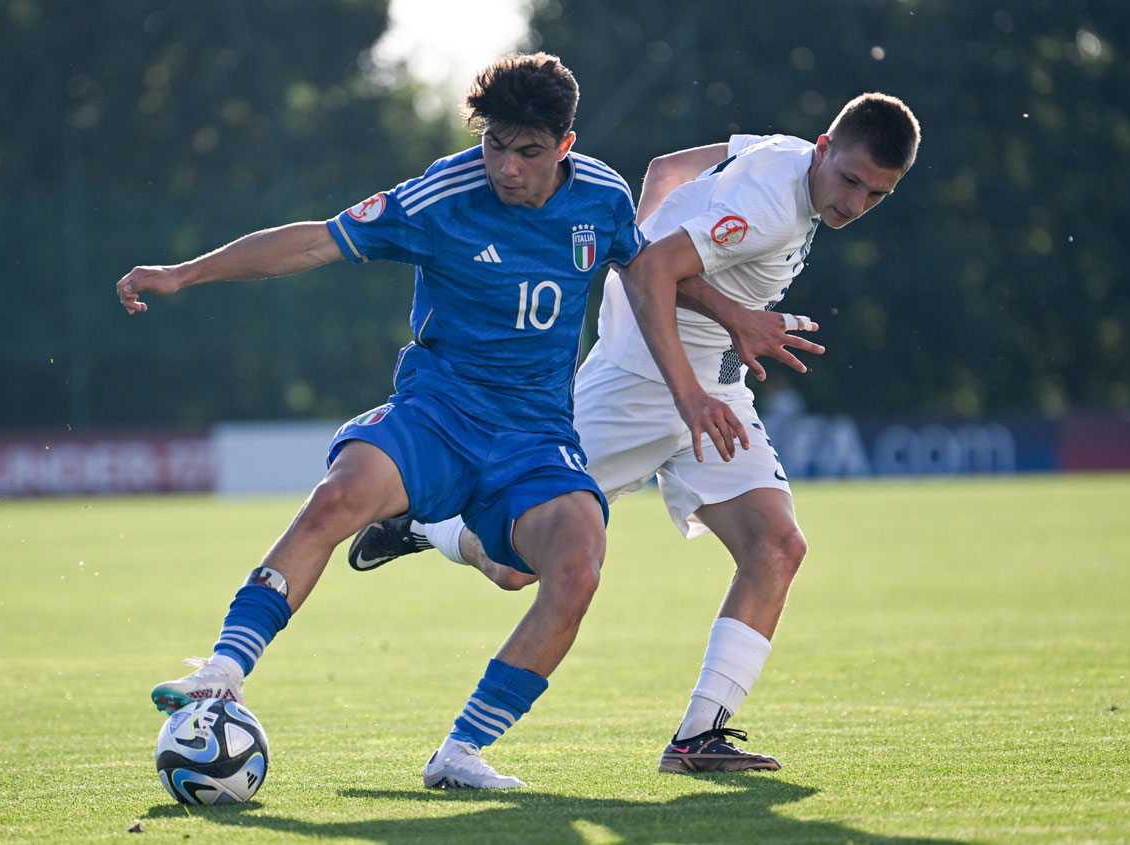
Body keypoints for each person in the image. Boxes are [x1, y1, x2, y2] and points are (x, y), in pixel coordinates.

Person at [111, 53, 718, 790]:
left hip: (537, 434)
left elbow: (647, 271)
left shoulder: (603, 196)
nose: (506, 167)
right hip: (440, 410)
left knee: (570, 569)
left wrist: (718, 347)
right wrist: (184, 273)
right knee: (337, 498)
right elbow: (316, 240)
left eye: (528, 152)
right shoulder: (444, 195)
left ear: (565, 144)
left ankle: (459, 751)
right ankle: (223, 669)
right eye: (494, 145)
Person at [349, 93, 921, 773]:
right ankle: (426, 523)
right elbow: (653, 267)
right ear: (825, 149)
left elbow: (665, 169)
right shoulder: (768, 205)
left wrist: (646, 252)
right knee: (515, 566)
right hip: (641, 384)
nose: (854, 203)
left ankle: (698, 737)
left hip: (712, 389)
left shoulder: (785, 151)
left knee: (777, 545)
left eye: (876, 194)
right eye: (850, 180)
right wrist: (694, 353)